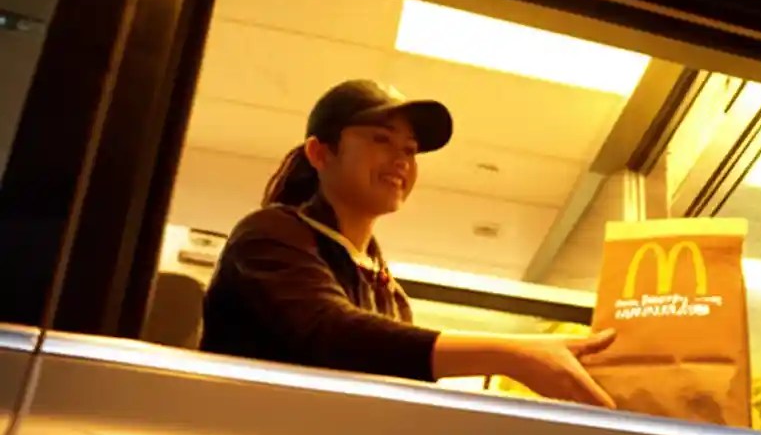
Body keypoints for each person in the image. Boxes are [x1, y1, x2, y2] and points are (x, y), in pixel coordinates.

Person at [201, 79, 616, 407]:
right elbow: (331, 333)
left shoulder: (389, 292)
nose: (401, 159)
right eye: (381, 140)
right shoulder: (270, 234)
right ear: (320, 153)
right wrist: (509, 352)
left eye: (411, 149)